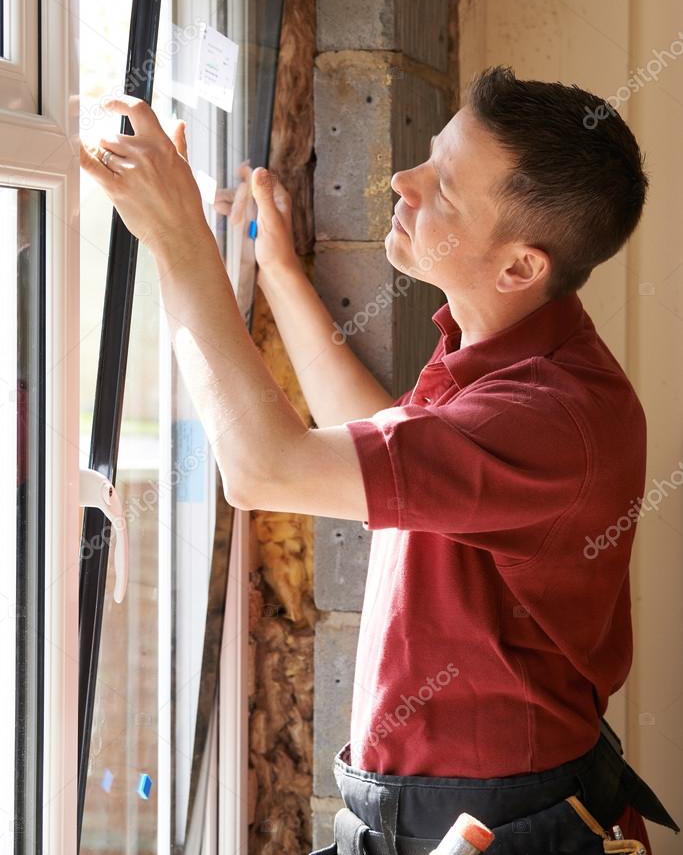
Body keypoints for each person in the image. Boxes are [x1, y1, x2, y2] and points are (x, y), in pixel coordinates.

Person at [80, 65, 679, 854]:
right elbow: (373, 437)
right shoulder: (501, 351)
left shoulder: (551, 415)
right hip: (432, 810)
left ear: (519, 267)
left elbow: (267, 469)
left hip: (497, 828)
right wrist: (281, 273)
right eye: (431, 153)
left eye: (445, 188)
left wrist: (175, 236)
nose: (403, 179)